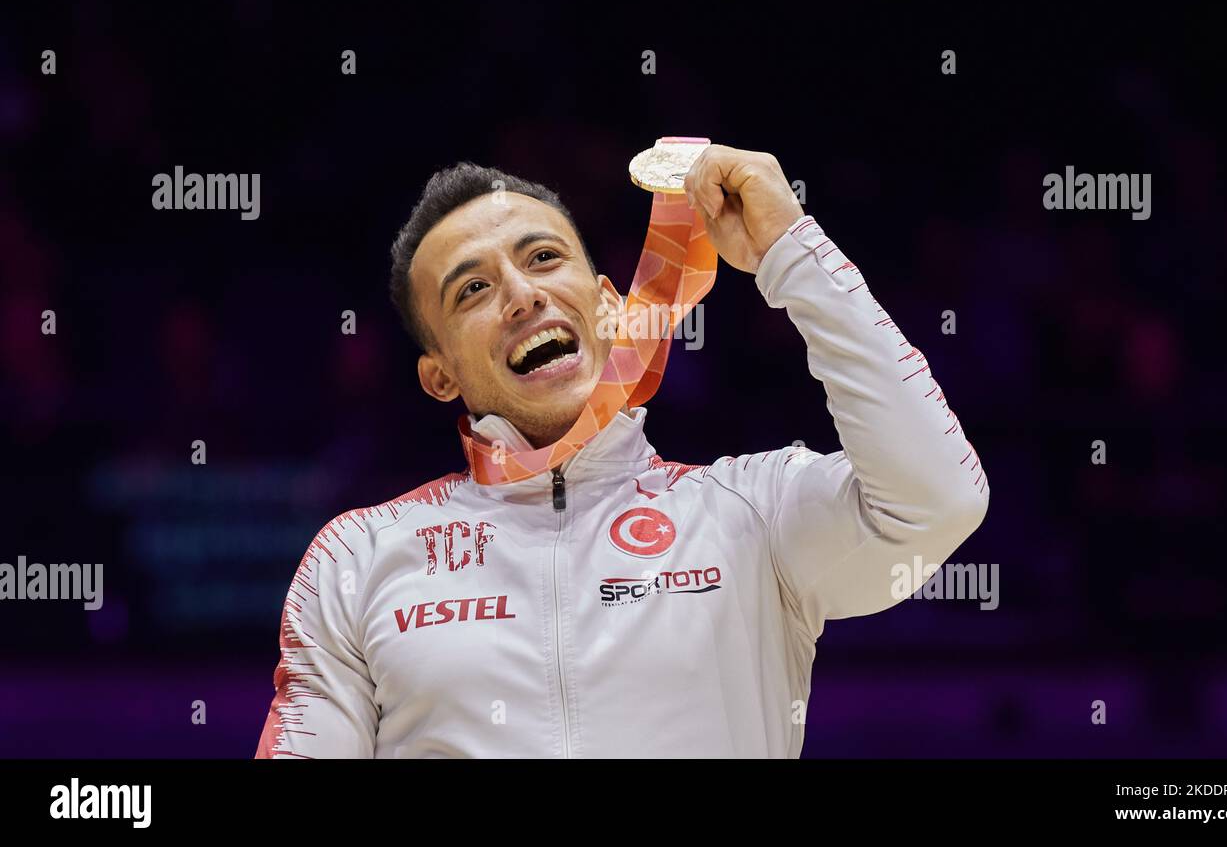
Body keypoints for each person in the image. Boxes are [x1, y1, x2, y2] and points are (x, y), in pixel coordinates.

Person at [255, 144, 989, 758]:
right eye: (472, 289)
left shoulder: (752, 517)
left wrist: (791, 253)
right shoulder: (357, 560)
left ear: (609, 305)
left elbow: (935, 502)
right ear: (438, 373)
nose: (522, 294)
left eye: (543, 257)